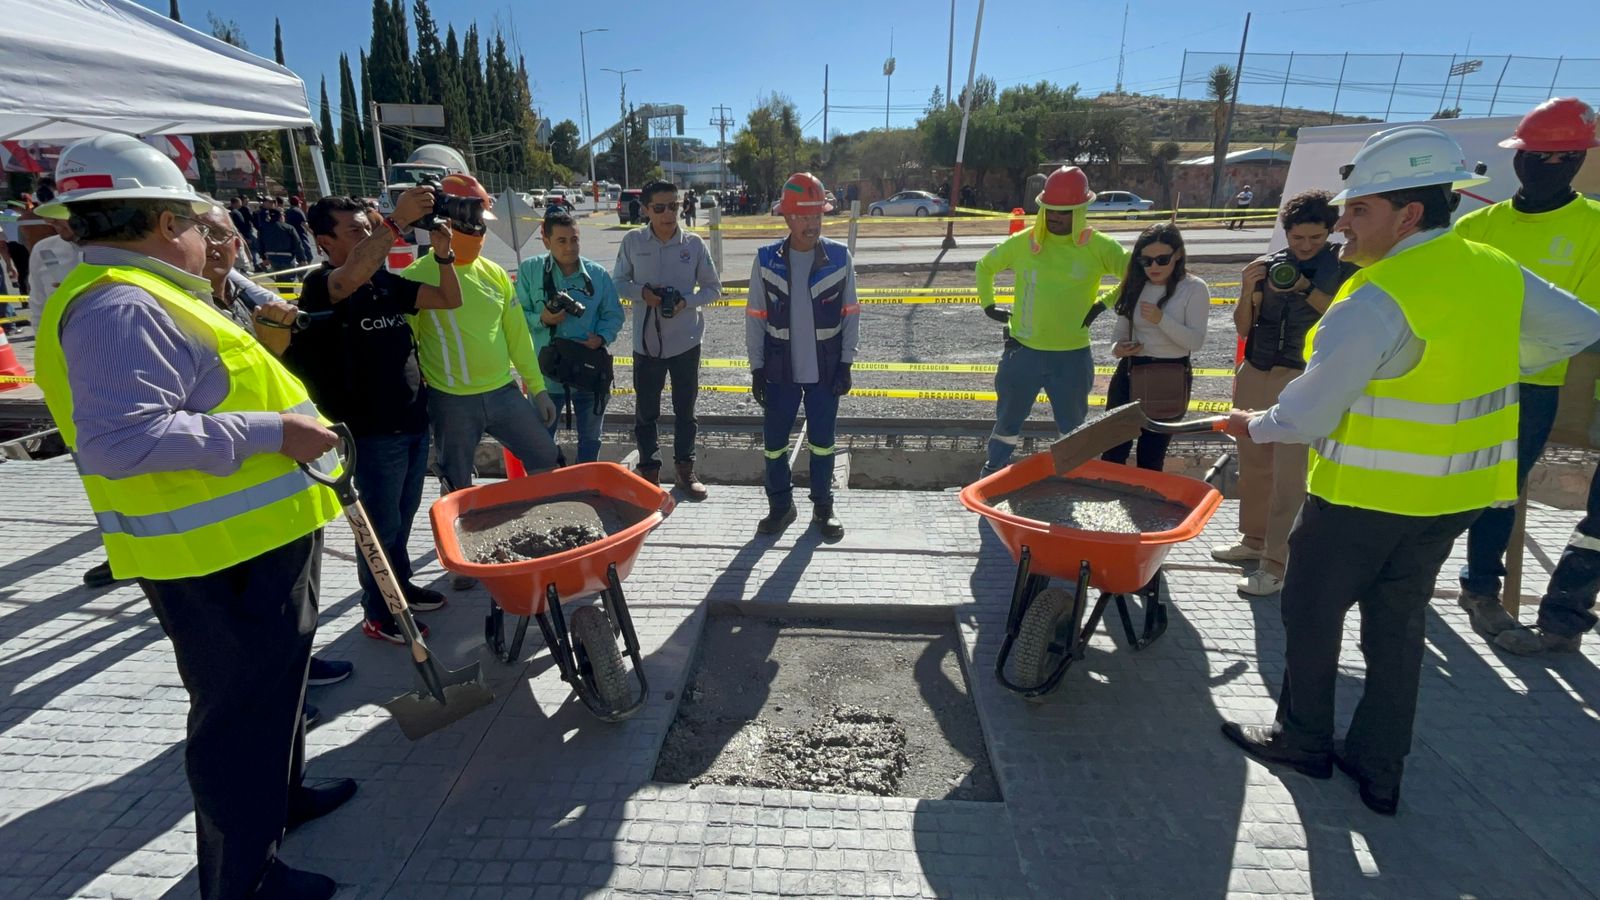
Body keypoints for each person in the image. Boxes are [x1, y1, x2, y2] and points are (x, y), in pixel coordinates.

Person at [1217, 125, 1600, 817]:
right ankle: (1379, 767)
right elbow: (1578, 328)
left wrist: (1253, 424)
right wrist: (1498, 357)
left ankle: (1305, 740)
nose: (1343, 224)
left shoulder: (1374, 298)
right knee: (1396, 625)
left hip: (1364, 499)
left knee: (1310, 612)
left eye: (1359, 209)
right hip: (1456, 499)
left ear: (1409, 214)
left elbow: (1304, 417)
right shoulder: (1493, 267)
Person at [32, 133, 356, 899]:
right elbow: (122, 440)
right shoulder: (119, 304)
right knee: (238, 719)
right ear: (155, 222)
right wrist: (276, 432)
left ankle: (281, 803)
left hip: (254, 541)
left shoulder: (150, 292)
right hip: (215, 559)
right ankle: (244, 878)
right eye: (192, 221)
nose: (205, 236)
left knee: (275, 694)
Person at [1450, 98, 1600, 654]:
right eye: (1532, 156)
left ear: (1578, 162)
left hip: (1535, 384)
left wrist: (1501, 340)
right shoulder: (1479, 226)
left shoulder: (1593, 228)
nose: (1541, 168)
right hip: (1465, 376)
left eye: (1559, 159)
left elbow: (1579, 325)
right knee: (1442, 479)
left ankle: (1481, 587)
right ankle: (1414, 578)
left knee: (1500, 490)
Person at [281, 190, 464, 642]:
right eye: (355, 230)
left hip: (411, 422)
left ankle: (399, 589)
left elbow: (447, 298)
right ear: (324, 242)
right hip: (369, 431)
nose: (367, 234)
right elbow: (348, 278)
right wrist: (396, 223)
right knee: (380, 526)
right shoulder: (320, 286)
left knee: (400, 520)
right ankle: (380, 613)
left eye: (369, 225)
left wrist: (443, 256)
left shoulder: (384, 283)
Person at [1213, 190, 1353, 597]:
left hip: (1303, 375)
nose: (1306, 246)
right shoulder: (1272, 267)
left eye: (1315, 238)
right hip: (1257, 368)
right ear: (1286, 234)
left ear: (1329, 232)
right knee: (1253, 464)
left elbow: (1338, 319)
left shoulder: (1342, 266)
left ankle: (1277, 564)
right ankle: (1252, 542)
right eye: (1298, 239)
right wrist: (1247, 287)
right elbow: (1243, 327)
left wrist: (1306, 288)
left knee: (1289, 474)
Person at [400, 173, 559, 498]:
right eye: (469, 225)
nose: (477, 233)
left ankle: (544, 527)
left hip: (502, 393)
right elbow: (406, 350)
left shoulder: (495, 274)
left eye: (480, 225)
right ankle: (459, 541)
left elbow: (517, 337)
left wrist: (539, 390)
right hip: (451, 400)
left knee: (546, 456)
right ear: (444, 222)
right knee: (457, 483)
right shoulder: (416, 277)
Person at [975, 166, 1129, 477]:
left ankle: (1071, 480)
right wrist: (989, 305)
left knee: (1072, 429)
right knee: (1007, 421)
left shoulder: (1099, 247)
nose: (1056, 217)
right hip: (1023, 353)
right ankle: (993, 472)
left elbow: (1134, 273)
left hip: (1072, 357)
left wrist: (1104, 303)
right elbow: (985, 266)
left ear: (1082, 210)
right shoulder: (1024, 242)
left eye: (1065, 212)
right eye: (1050, 210)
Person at [746, 172, 861, 538]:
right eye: (803, 216)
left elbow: (851, 314)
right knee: (774, 446)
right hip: (780, 370)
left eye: (817, 216)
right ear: (786, 217)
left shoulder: (840, 258)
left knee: (824, 444)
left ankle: (823, 509)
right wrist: (757, 369)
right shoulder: (766, 260)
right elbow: (755, 317)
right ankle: (781, 507)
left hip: (825, 371)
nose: (811, 224)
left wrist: (846, 362)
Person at [613, 178, 723, 498]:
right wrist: (641, 293)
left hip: (686, 342)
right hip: (646, 345)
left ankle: (685, 473)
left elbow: (714, 289)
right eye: (659, 207)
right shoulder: (633, 242)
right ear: (646, 209)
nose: (667, 213)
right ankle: (649, 475)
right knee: (646, 412)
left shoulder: (695, 245)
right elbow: (617, 282)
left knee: (685, 410)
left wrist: (686, 301)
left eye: (673, 206)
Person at [515, 207, 624, 464]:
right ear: (546, 241)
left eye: (574, 239)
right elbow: (515, 315)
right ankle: (547, 493)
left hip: (589, 374)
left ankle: (585, 492)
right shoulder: (530, 270)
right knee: (540, 443)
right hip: (546, 378)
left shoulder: (596, 275)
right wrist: (542, 318)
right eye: (561, 241)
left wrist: (601, 338)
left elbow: (614, 315)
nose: (569, 247)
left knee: (591, 440)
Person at [1101, 223, 1210, 472]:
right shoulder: (1135, 285)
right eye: (1146, 261)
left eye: (1162, 259)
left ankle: (1144, 509)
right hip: (1130, 370)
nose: (1154, 267)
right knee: (1112, 452)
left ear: (1178, 255)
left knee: (1151, 456)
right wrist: (1119, 348)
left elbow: (1195, 342)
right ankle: (1111, 504)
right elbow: (1117, 335)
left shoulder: (1194, 288)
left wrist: (1161, 320)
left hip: (1169, 374)